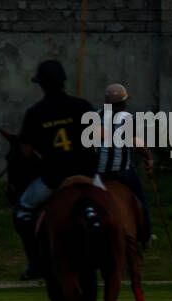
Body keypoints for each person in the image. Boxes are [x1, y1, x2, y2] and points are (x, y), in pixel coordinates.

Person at [16, 59, 103, 280]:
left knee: (23, 210)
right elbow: (100, 135)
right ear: (63, 81)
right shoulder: (82, 105)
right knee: (113, 208)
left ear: (42, 85)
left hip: (54, 178)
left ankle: (35, 263)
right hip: (87, 175)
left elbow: (26, 153)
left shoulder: (34, 113)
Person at [96, 83, 155, 248]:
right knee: (141, 202)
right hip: (122, 172)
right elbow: (136, 143)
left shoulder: (96, 115)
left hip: (99, 173)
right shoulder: (127, 117)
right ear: (123, 102)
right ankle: (145, 236)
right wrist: (148, 157)